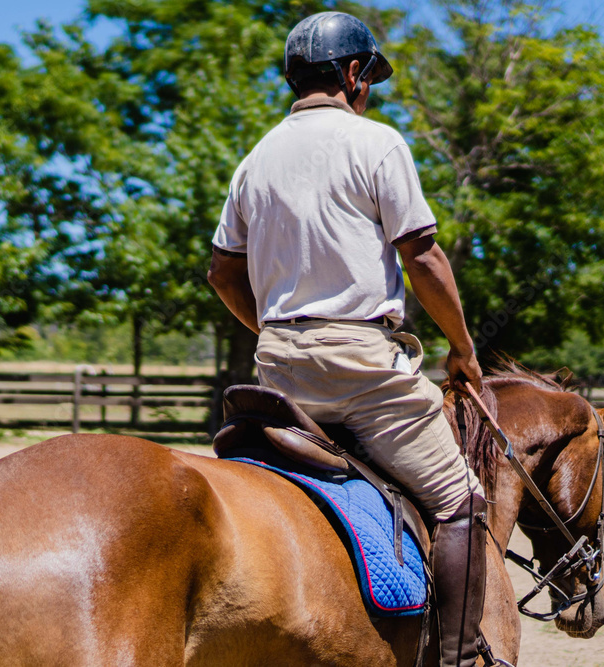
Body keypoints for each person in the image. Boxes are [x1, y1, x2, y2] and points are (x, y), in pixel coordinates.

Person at [207, 12, 488, 667]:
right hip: (363, 371)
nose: (372, 92)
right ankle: (459, 655)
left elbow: (222, 271)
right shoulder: (377, 143)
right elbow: (423, 258)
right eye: (371, 80)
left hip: (275, 373)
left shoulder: (256, 159)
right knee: (459, 500)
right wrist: (464, 348)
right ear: (354, 74)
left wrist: (274, 328)